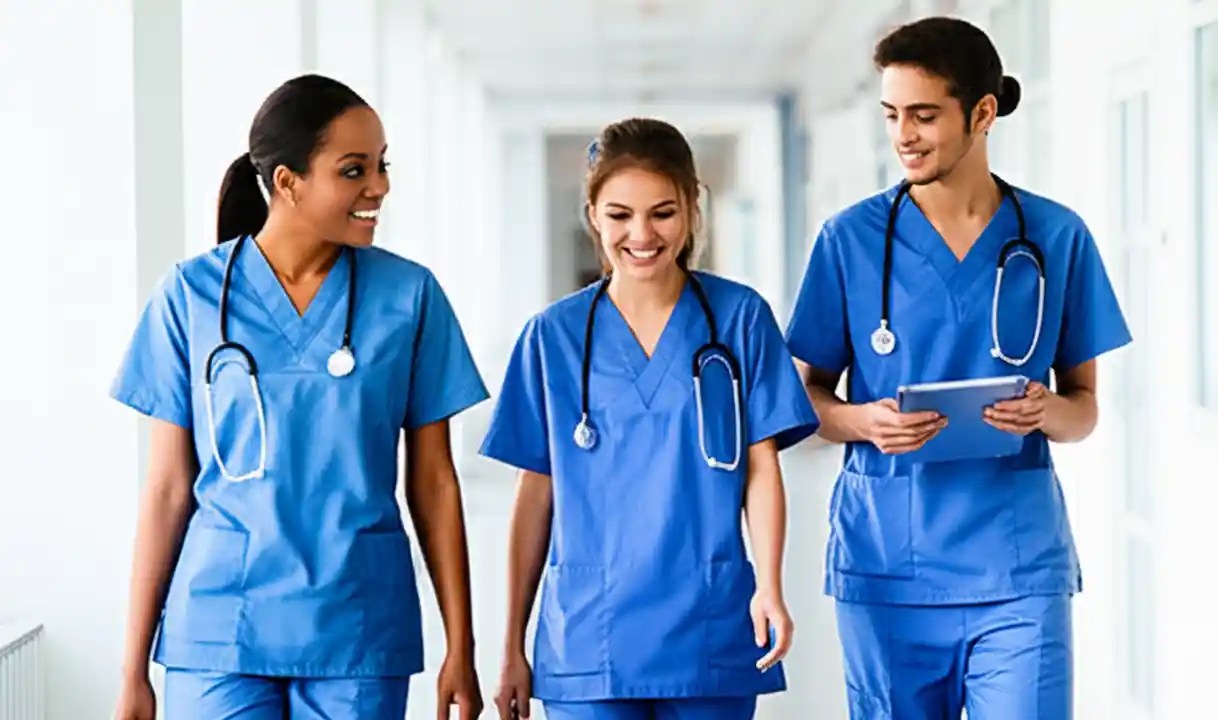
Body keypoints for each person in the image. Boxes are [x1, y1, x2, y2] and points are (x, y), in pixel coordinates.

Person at [109, 74, 488, 720]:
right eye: (354, 170)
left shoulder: (409, 297)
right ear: (287, 182)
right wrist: (133, 669)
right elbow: (170, 488)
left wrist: (463, 645)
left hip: (356, 626)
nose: (380, 187)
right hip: (220, 628)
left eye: (381, 165)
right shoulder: (191, 296)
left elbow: (434, 483)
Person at [786, 17, 1132, 720]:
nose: (903, 136)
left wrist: (1046, 412)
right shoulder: (850, 240)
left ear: (982, 113)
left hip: (1017, 566)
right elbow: (805, 397)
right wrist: (863, 420)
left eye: (923, 115)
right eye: (891, 115)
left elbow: (1084, 406)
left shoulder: (1055, 236)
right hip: (887, 564)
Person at [481, 118, 819, 720]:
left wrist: (770, 584)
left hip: (708, 626)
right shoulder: (551, 338)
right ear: (593, 216)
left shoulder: (739, 318)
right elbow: (535, 493)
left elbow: (760, 468)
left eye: (663, 212)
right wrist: (510, 641)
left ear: (693, 209)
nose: (641, 234)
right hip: (589, 638)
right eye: (619, 215)